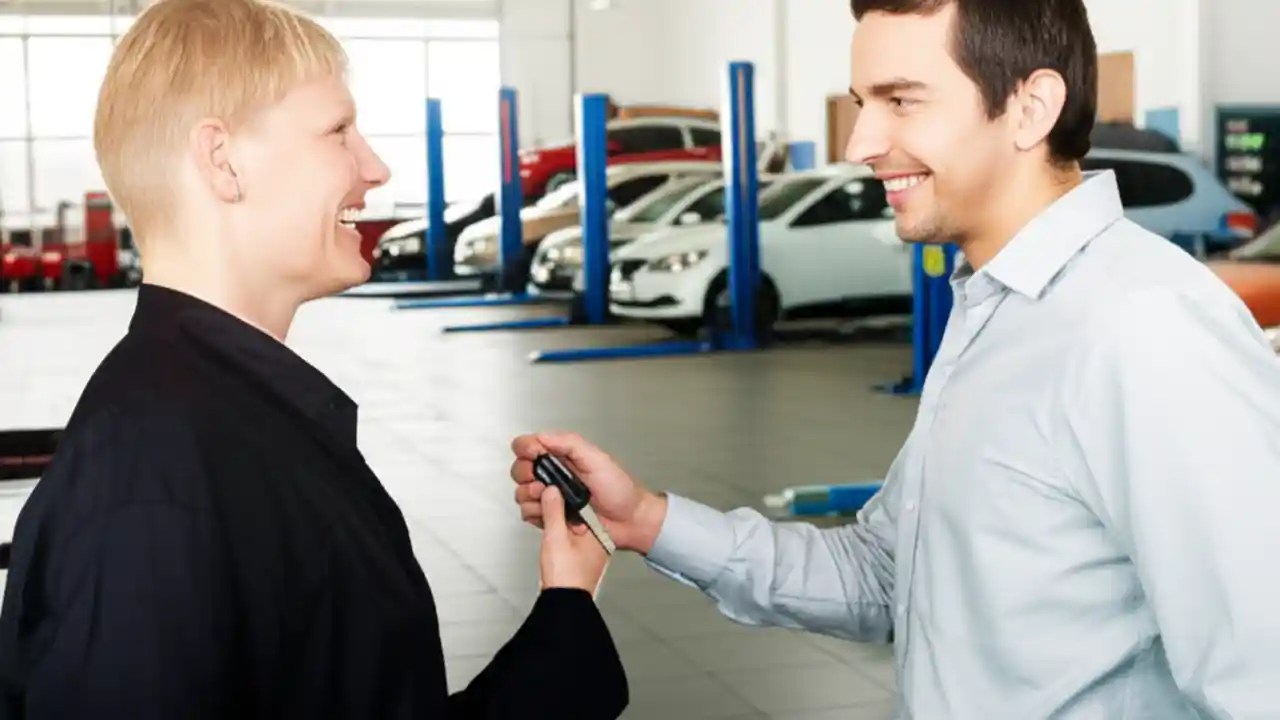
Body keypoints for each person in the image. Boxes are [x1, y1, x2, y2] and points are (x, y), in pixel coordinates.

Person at [511, 0, 1280, 718]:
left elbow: (1261, 673)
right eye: (861, 102)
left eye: (902, 100)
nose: (860, 144)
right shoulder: (995, 309)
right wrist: (648, 521)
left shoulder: (1144, 330)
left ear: (1030, 108)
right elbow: (891, 574)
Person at [0, 1, 627, 718]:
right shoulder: (154, 489)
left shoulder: (222, 423)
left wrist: (567, 608)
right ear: (222, 160)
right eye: (338, 131)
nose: (376, 167)